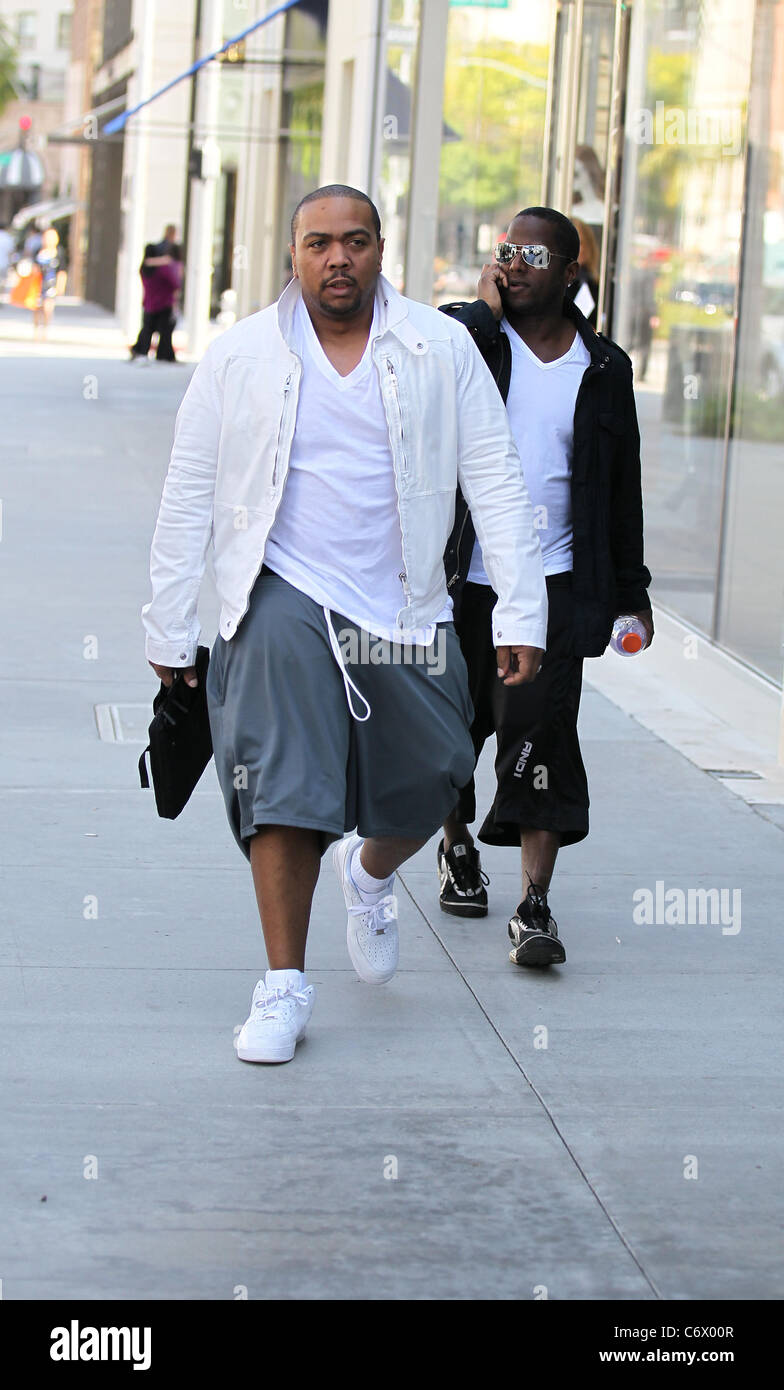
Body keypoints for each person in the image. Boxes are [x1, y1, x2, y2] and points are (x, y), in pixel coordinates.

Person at [142, 184, 547, 1064]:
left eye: (354, 242)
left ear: (379, 249)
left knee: (439, 775)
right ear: (292, 252)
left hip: (400, 607)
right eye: (319, 243)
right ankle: (283, 985)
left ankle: (366, 873)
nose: (337, 259)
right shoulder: (242, 354)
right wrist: (169, 630)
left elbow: (497, 479)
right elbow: (188, 495)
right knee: (280, 787)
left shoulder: (438, 349)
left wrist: (523, 611)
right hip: (278, 593)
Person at [437, 206, 653, 968]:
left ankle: (534, 906)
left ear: (570, 272)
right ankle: (455, 842)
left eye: (534, 253)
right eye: (505, 251)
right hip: (465, 581)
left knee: (542, 738)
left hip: (559, 586)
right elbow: (431, 354)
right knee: (451, 732)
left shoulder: (603, 369)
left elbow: (619, 490)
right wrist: (484, 309)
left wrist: (632, 592)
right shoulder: (472, 346)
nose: (515, 262)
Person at [130, 241, 182, 362]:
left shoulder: (144, 269)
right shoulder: (162, 269)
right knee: (165, 331)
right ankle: (164, 354)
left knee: (147, 329)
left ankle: (141, 350)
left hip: (149, 303)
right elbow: (175, 284)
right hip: (164, 303)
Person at [32, 227, 67, 337]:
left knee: (48, 307)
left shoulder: (59, 252)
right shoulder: (38, 251)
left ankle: (45, 328)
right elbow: (33, 266)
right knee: (37, 307)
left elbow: (61, 271)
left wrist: (61, 286)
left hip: (51, 283)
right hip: (38, 282)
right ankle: (37, 329)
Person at [566, 217, 600, 327]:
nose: (581, 249)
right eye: (575, 243)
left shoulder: (596, 285)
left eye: (582, 243)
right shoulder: (555, 285)